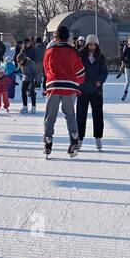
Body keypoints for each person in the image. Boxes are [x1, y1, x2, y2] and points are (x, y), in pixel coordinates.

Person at [42, 24, 85, 158]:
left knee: (50, 115)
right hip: (70, 86)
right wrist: (78, 81)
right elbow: (80, 71)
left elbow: (45, 68)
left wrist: (50, 80)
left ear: (56, 37)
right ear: (68, 38)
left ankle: (48, 141)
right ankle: (74, 139)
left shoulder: (50, 50)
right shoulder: (73, 51)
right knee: (70, 115)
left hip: (54, 85)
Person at [76, 35, 108, 151]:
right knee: (81, 115)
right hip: (83, 89)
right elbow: (76, 70)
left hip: (96, 90)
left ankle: (98, 137)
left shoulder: (101, 57)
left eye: (94, 44)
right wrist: (79, 81)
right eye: (90, 44)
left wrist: (100, 80)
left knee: (98, 114)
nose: (92, 46)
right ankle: (79, 138)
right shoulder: (80, 56)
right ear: (86, 45)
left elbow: (104, 72)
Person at [17, 38, 41, 114]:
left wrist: (35, 81)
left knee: (31, 91)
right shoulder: (20, 63)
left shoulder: (31, 63)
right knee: (23, 91)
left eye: (19, 61)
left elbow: (36, 72)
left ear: (23, 59)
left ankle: (33, 107)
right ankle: (25, 106)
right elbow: (19, 69)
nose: (19, 63)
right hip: (25, 78)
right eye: (18, 61)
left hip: (32, 78)